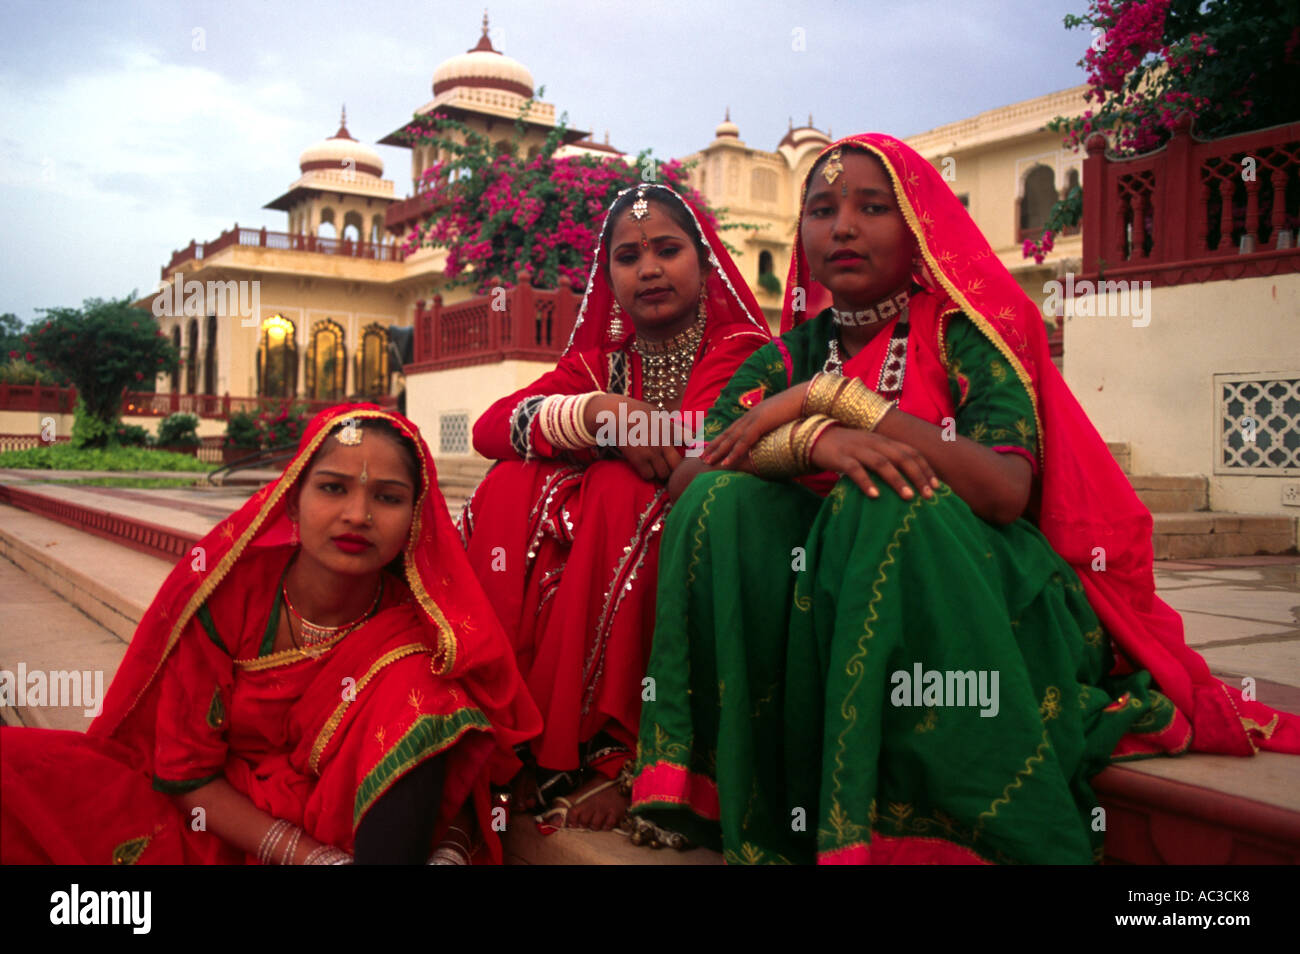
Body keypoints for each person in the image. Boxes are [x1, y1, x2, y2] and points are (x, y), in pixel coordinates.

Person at [627, 134, 1300, 864]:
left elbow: (1006, 491)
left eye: (871, 207)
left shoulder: (965, 335)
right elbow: (690, 475)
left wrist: (842, 403)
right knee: (723, 505)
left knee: (880, 501)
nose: (842, 226)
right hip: (826, 596)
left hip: (986, 581)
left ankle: (928, 832)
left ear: (917, 224)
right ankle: (743, 798)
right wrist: (812, 440)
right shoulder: (785, 355)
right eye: (821, 210)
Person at [1, 404, 541, 864]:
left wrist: (448, 851)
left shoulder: (422, 627)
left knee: (424, 687)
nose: (358, 515)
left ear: (416, 517)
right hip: (223, 819)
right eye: (332, 488)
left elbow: (468, 762)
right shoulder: (228, 595)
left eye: (388, 497)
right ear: (291, 500)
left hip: (350, 820)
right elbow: (186, 777)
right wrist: (306, 856)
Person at [461, 183, 771, 831]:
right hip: (607, 551)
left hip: (710, 539)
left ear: (706, 260)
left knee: (618, 489)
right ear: (609, 278)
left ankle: (618, 755)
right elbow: (490, 428)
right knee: (508, 486)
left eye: (667, 249)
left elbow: (704, 442)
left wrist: (627, 434)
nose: (649, 269)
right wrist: (601, 412)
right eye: (628, 257)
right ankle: (525, 733)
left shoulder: (740, 350)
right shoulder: (602, 367)